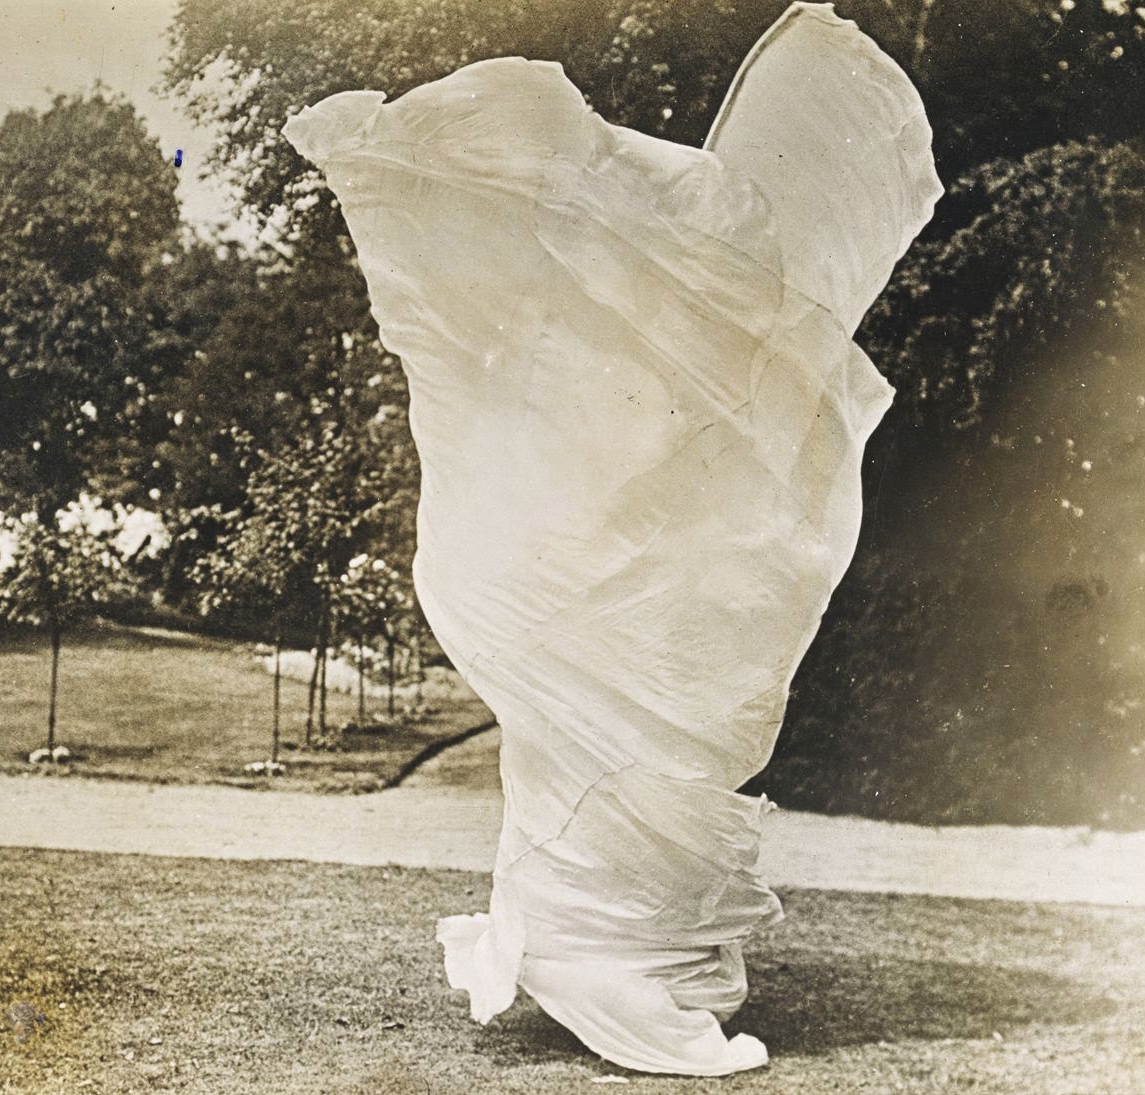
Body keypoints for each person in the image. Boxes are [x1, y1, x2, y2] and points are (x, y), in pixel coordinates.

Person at [283, 1, 940, 1076]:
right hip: (576, 563)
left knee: (641, 723)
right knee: (590, 733)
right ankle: (596, 962)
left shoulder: (672, 409)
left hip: (635, 565)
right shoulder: (601, 390)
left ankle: (594, 950)